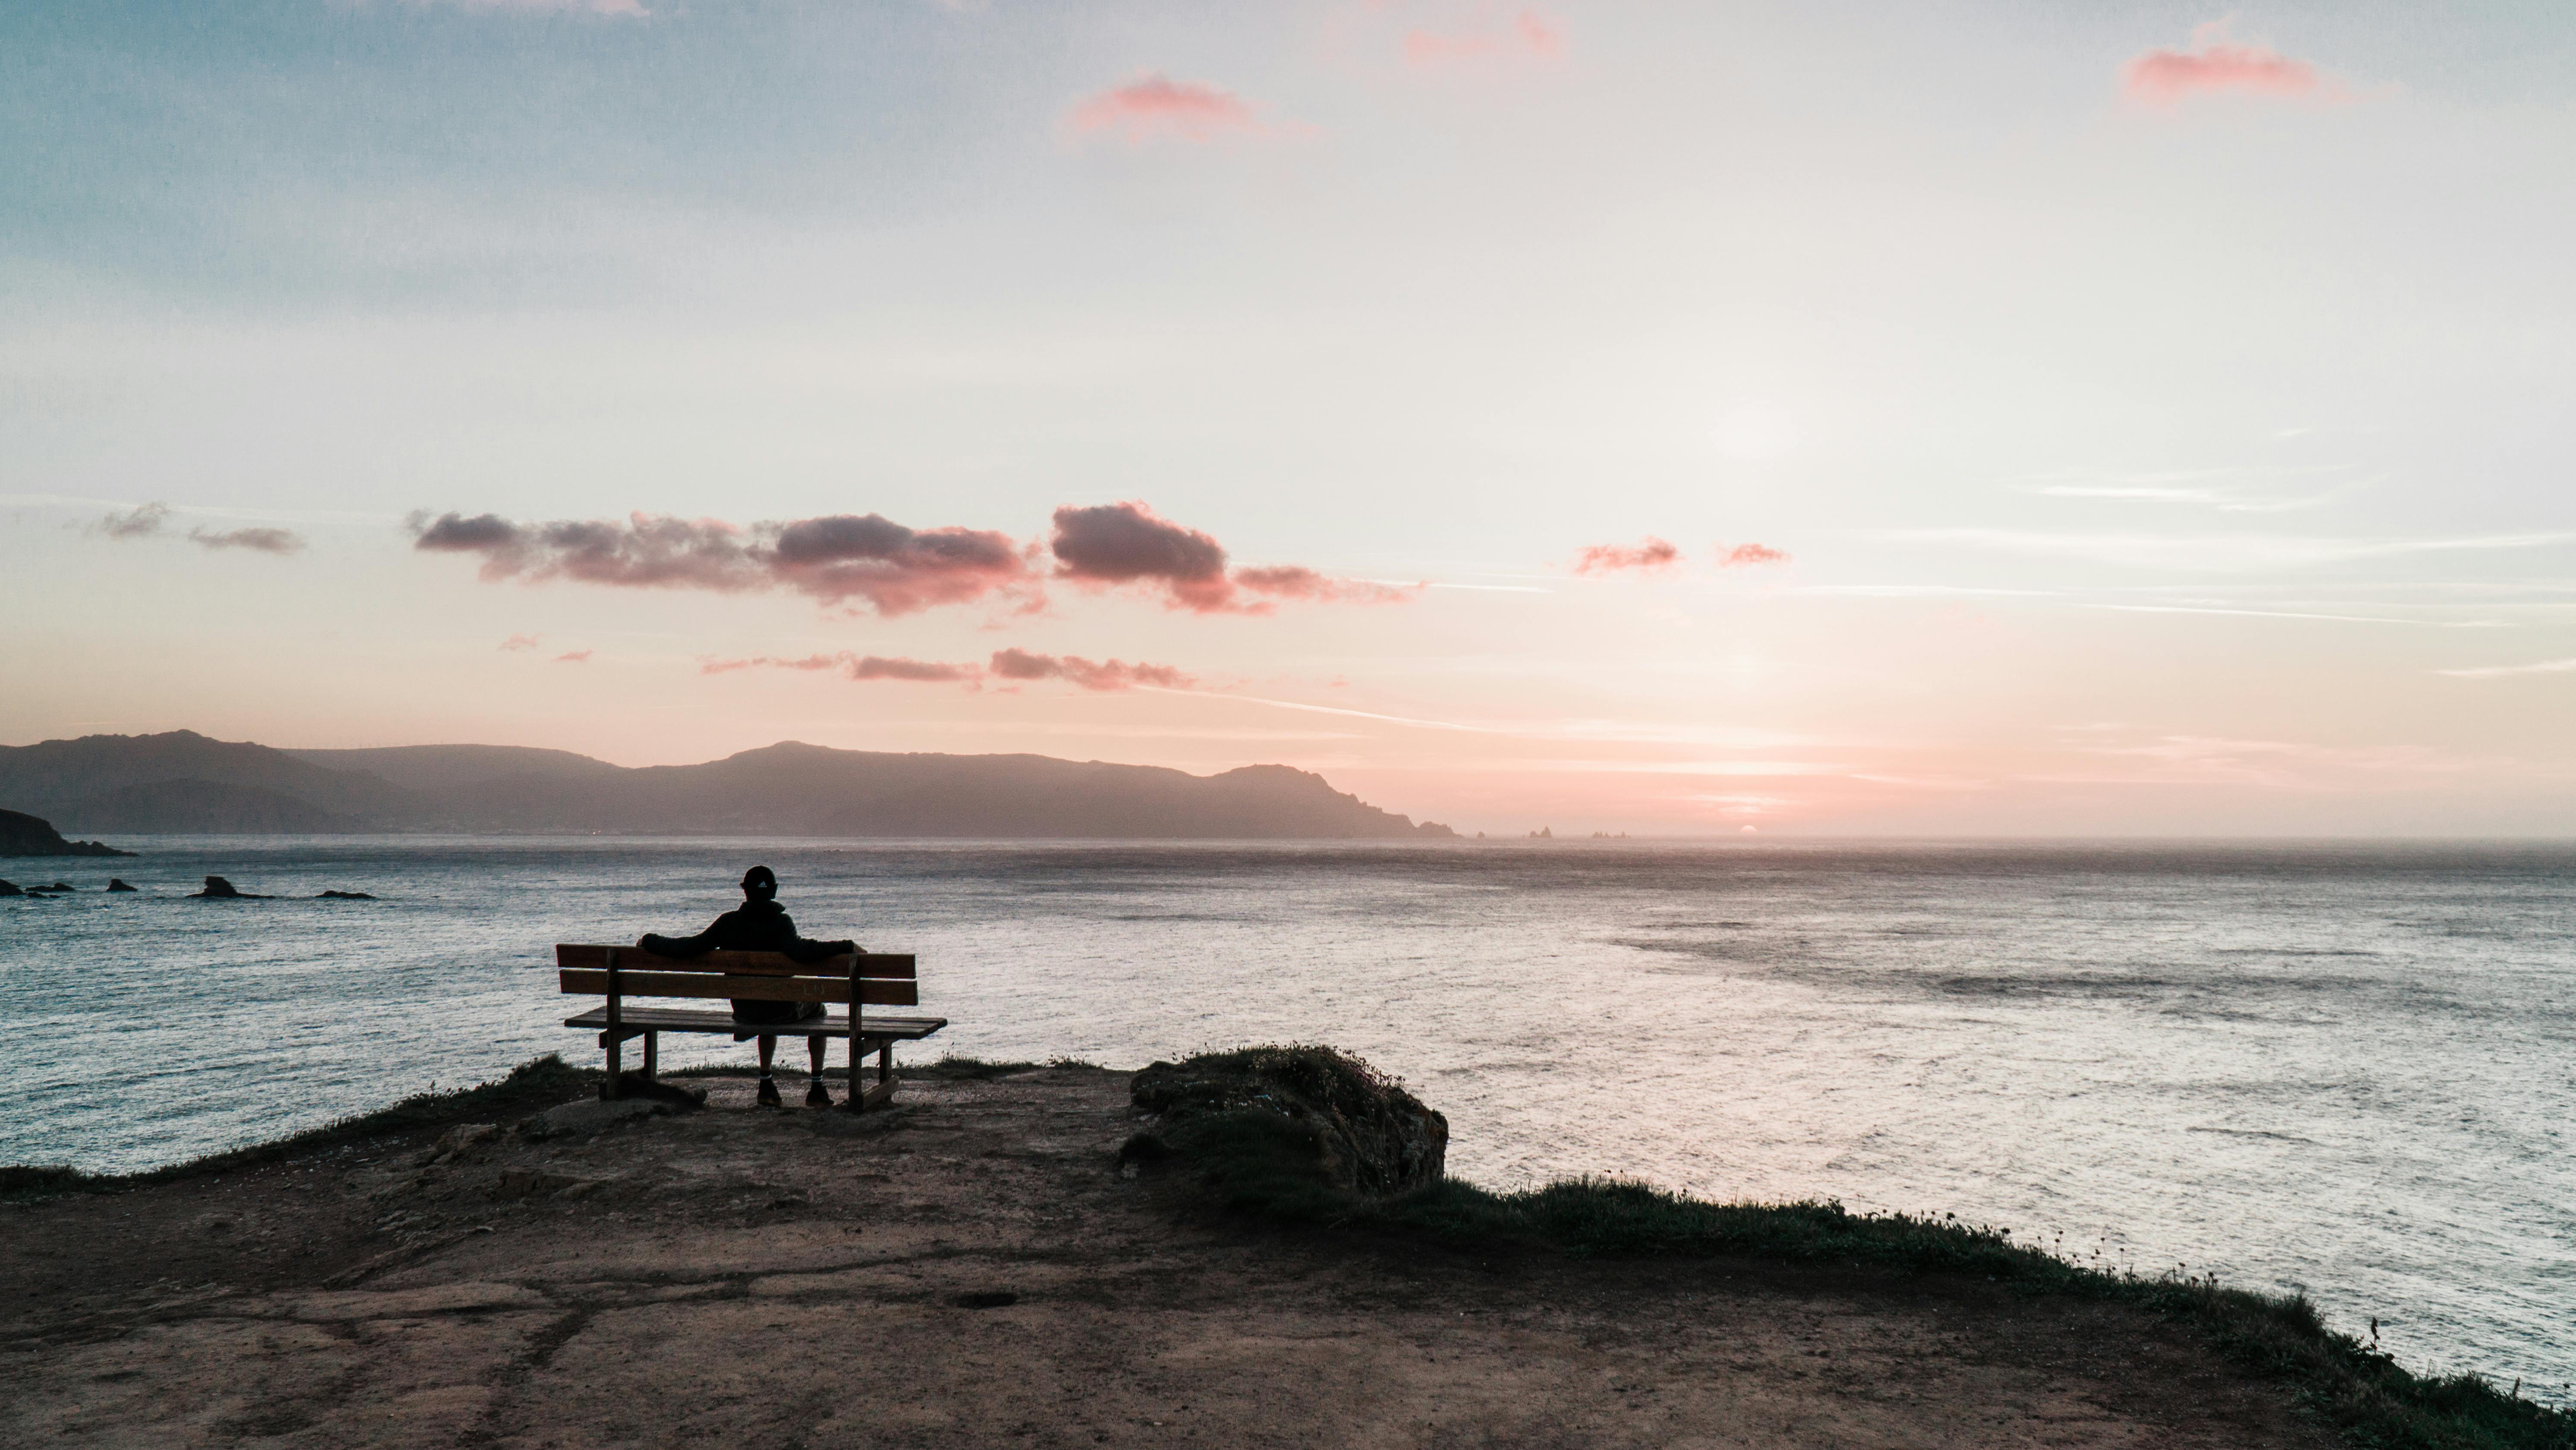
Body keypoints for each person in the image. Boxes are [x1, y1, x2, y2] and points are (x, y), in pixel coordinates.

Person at [638, 865, 857, 1108]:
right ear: (774, 892)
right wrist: (847, 946)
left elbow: (687, 948)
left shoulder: (728, 923)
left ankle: (766, 1085)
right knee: (817, 1010)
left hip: (745, 1011)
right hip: (781, 1010)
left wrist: (649, 941)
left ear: (745, 892)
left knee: (766, 1002)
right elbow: (803, 951)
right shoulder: (781, 923)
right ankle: (816, 1087)